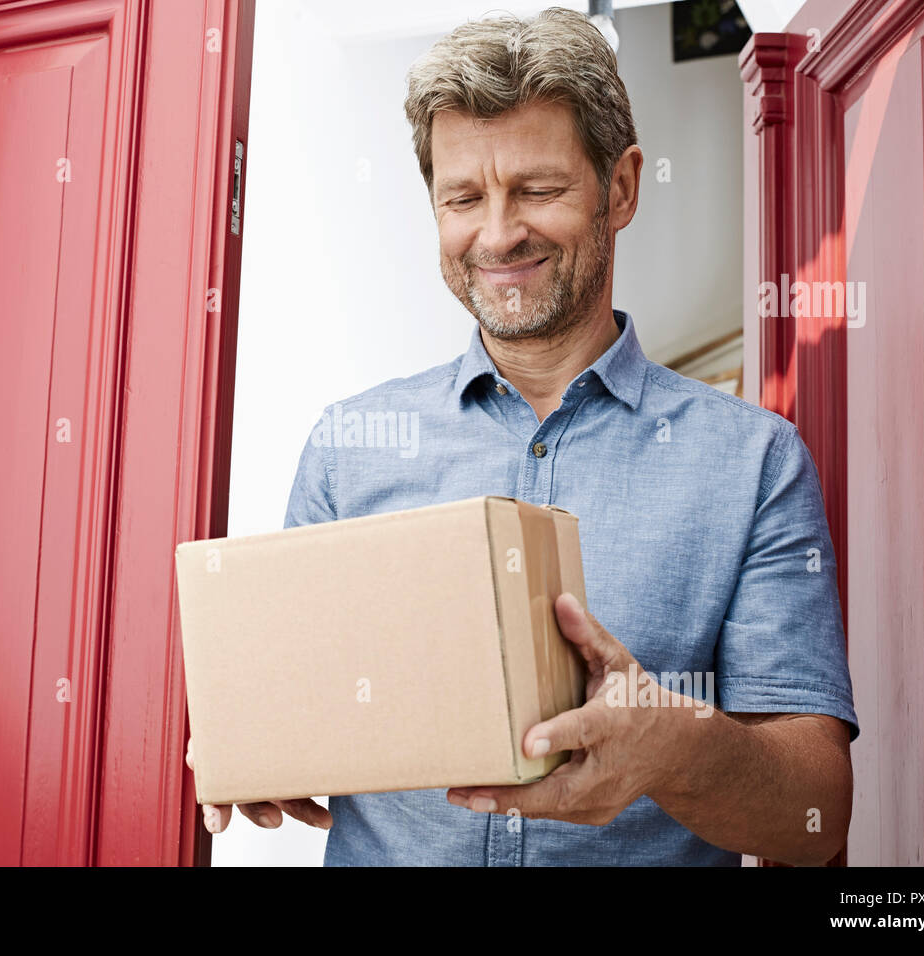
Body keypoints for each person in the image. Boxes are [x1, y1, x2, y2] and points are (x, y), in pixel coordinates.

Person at [187, 6, 858, 866]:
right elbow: (293, 702)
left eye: (538, 190)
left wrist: (674, 745)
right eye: (463, 199)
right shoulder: (348, 448)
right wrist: (249, 742)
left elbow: (815, 815)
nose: (499, 234)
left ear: (621, 188)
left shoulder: (754, 463)